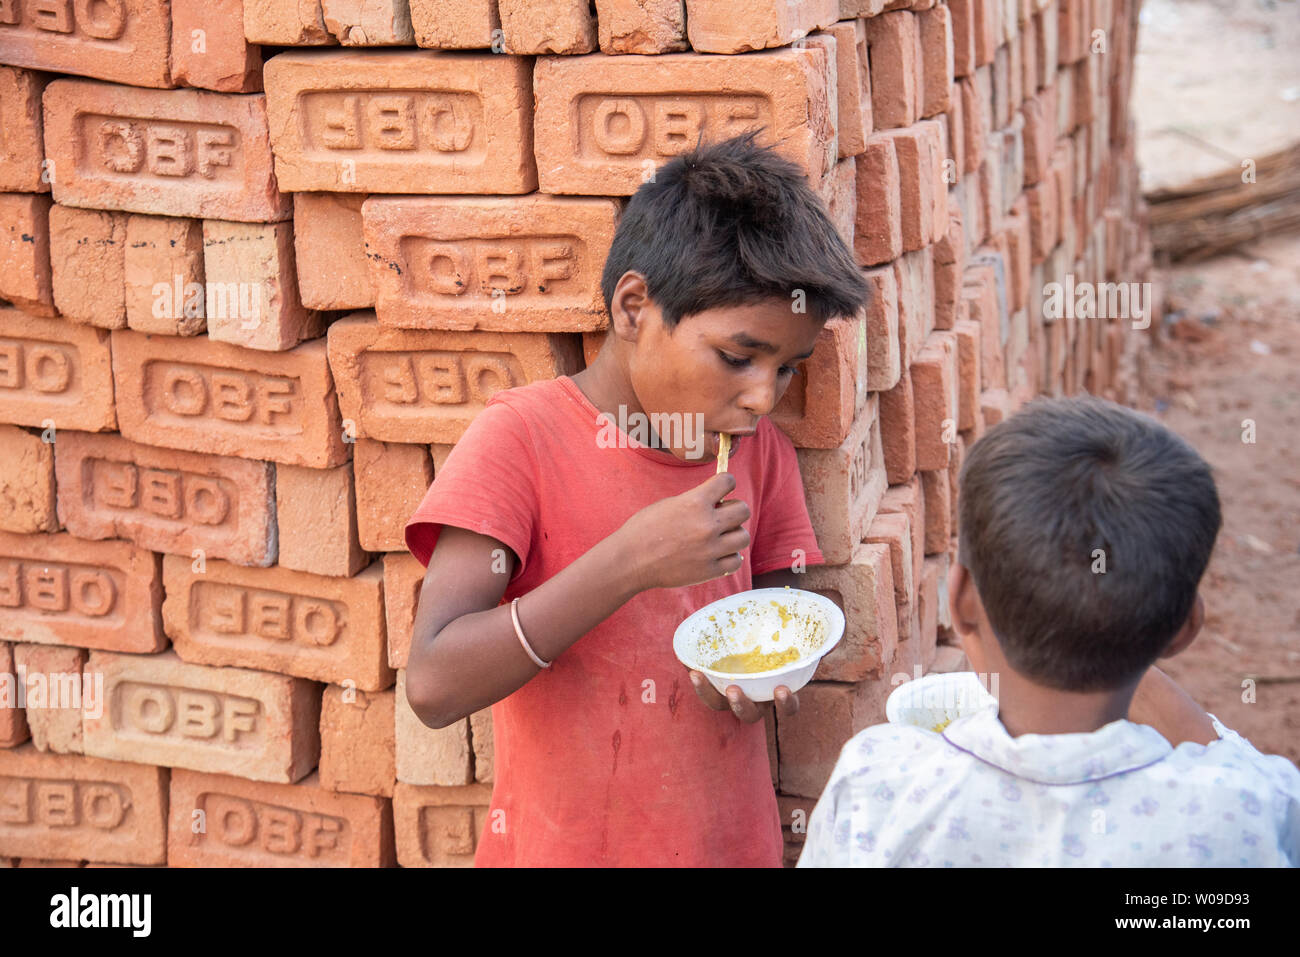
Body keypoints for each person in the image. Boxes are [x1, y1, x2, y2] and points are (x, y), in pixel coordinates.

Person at [403, 133, 869, 866]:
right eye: (738, 356)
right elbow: (432, 683)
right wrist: (628, 561)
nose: (761, 395)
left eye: (786, 369)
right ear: (633, 308)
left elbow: (775, 620)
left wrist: (750, 685)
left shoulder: (760, 453)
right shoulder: (520, 440)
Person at [798, 396, 1300, 866]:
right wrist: (1120, 629)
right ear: (1185, 627)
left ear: (962, 601)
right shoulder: (1246, 814)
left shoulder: (876, 786)